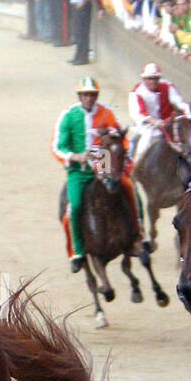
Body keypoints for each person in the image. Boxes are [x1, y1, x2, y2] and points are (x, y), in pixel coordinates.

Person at [53, 77, 143, 272]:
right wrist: (74, 156)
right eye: (85, 95)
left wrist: (123, 155)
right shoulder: (68, 116)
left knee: (129, 187)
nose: (89, 98)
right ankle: (77, 251)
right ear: (80, 96)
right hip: (79, 171)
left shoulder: (106, 114)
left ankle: (137, 235)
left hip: (104, 163)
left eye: (92, 95)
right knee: (75, 207)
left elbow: (120, 138)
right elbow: (57, 147)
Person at [127, 62, 191, 165]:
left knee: (187, 141)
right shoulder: (137, 92)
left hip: (169, 125)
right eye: (149, 78)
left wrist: (187, 112)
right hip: (148, 128)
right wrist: (154, 121)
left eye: (155, 78)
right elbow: (138, 114)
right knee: (143, 147)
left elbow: (178, 101)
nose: (153, 81)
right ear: (144, 79)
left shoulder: (167, 85)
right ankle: (137, 170)